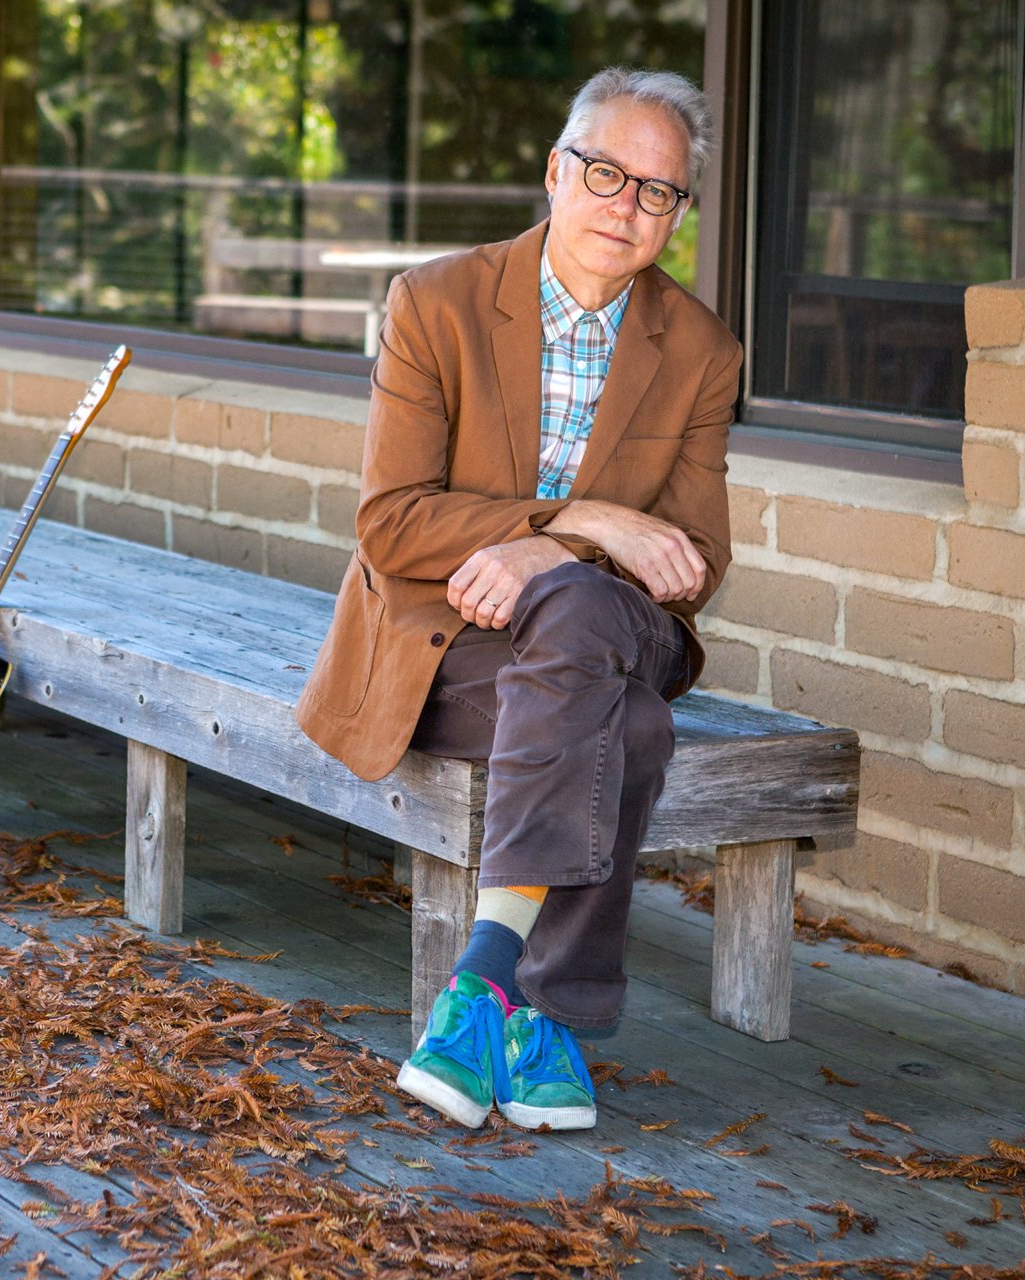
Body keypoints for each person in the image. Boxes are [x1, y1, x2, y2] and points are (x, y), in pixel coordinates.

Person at [295, 67, 741, 1131]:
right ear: (555, 171)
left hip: (607, 629)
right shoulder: (434, 303)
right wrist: (580, 523)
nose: (626, 206)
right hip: (449, 654)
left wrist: (552, 561)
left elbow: (695, 562)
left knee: (585, 616)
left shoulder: (701, 349)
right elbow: (392, 522)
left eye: (659, 192)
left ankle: (479, 982)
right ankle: (549, 1015)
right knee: (625, 723)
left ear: (680, 214)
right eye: (604, 173)